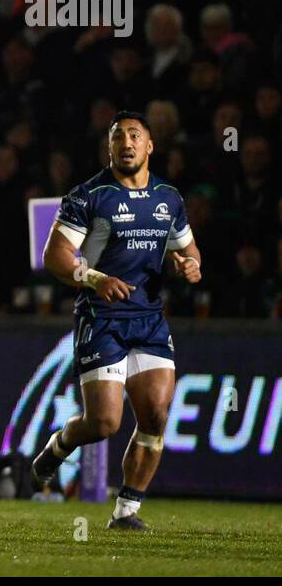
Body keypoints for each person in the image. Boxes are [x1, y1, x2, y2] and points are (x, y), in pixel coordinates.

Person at [32, 111, 202, 530]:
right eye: (118, 136)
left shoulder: (169, 197)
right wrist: (95, 279)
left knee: (156, 415)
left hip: (149, 319)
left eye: (135, 135)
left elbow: (188, 248)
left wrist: (190, 264)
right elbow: (54, 256)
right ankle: (60, 445)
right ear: (108, 147)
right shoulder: (89, 196)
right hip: (101, 318)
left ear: (149, 146)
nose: (127, 143)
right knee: (104, 422)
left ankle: (126, 511)